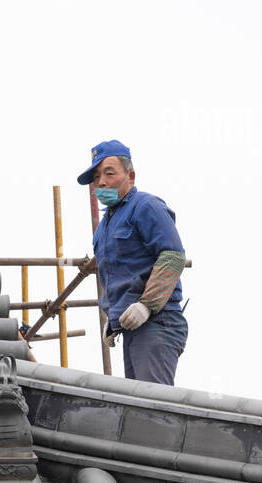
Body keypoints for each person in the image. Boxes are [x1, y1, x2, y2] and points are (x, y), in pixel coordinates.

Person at [77, 139, 188, 385]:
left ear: (131, 175)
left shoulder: (146, 206)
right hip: (131, 329)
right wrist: (113, 319)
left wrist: (146, 305)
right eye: (96, 178)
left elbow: (172, 257)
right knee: (137, 410)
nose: (101, 182)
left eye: (109, 173)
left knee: (153, 408)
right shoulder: (104, 228)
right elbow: (117, 276)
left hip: (157, 323)